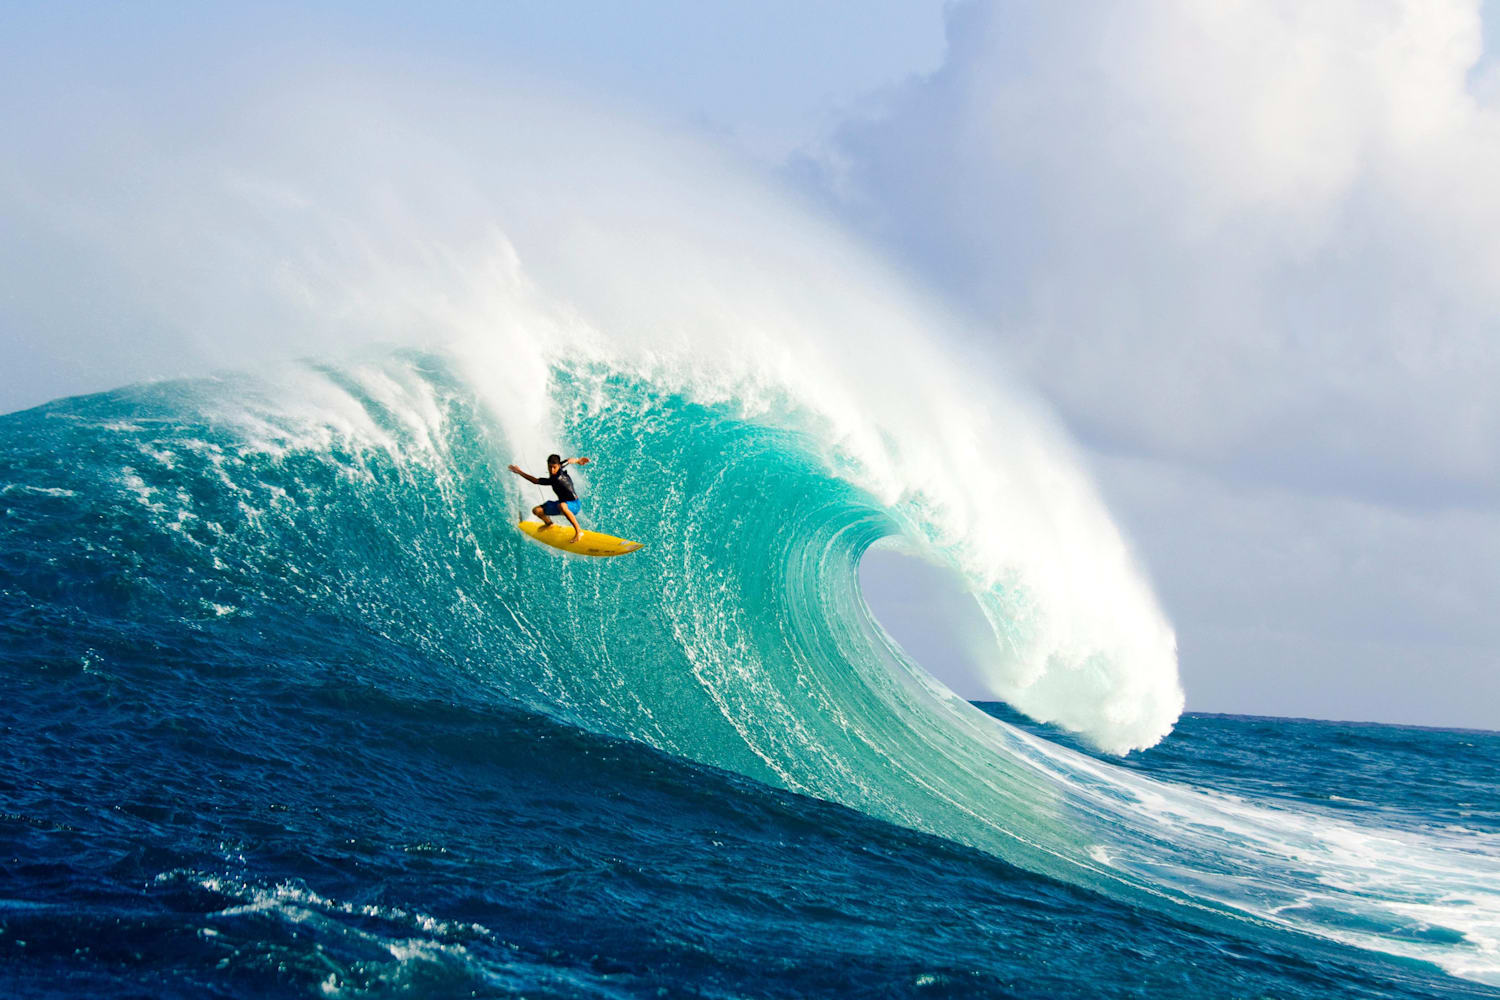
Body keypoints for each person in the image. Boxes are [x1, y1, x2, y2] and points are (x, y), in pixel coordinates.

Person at [508, 453, 592, 543]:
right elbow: (569, 460)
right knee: (537, 511)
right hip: (562, 504)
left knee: (562, 505)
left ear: (558, 466)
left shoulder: (556, 479)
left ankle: (578, 532)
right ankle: (549, 524)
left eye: (554, 467)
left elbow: (535, 481)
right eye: (550, 467)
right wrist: (578, 460)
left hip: (574, 505)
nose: (552, 470)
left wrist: (519, 472)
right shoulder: (560, 466)